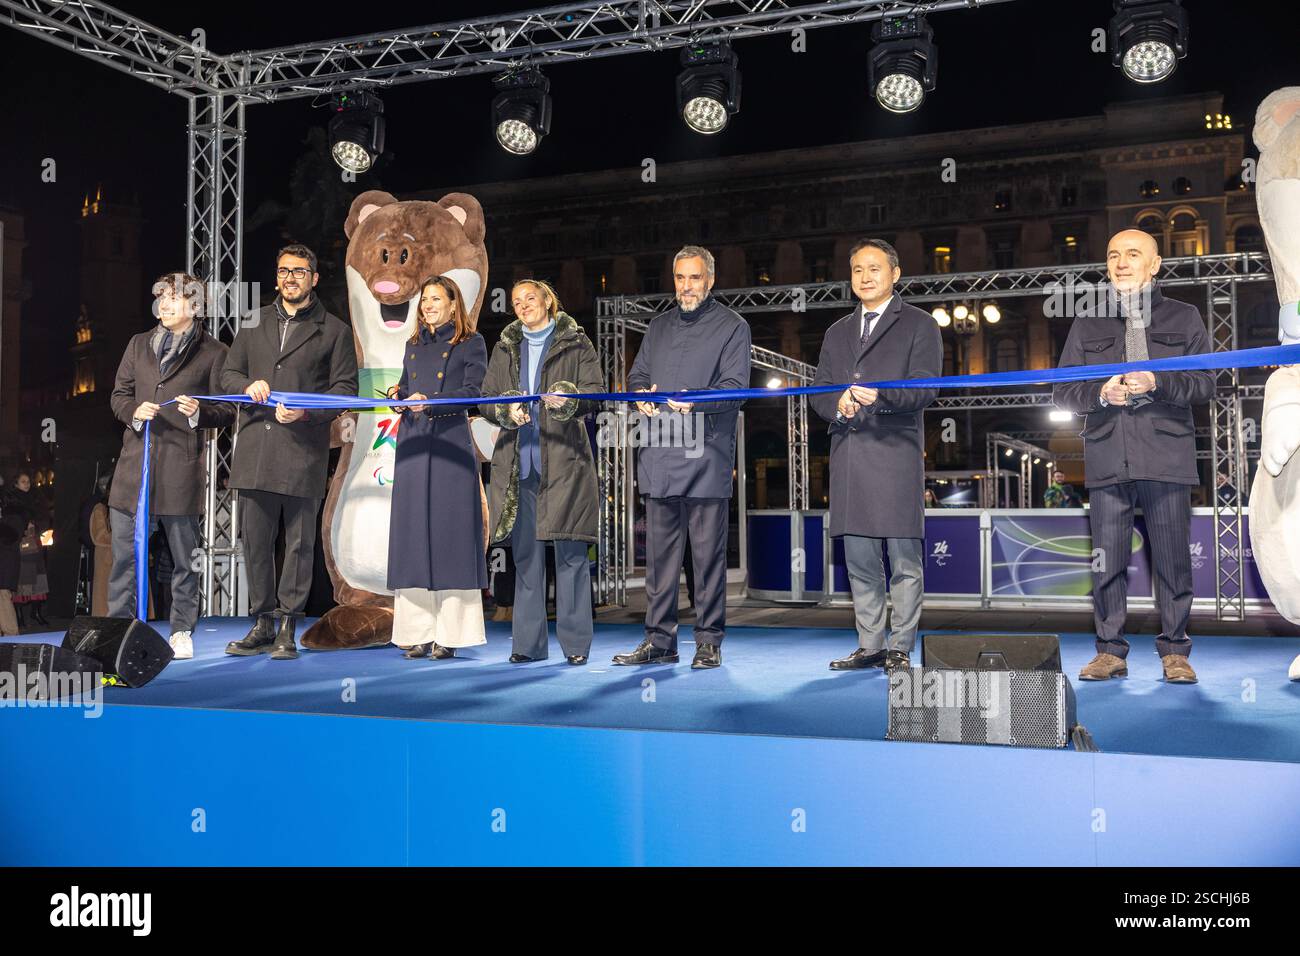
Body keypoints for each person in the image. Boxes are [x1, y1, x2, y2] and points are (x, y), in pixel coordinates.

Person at [1053, 229, 1213, 685]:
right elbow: (1063, 392)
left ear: (1155, 263)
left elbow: (1205, 385)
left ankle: (1176, 652)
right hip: (1107, 456)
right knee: (1107, 561)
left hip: (1167, 455)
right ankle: (1109, 651)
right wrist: (1100, 394)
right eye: (1113, 255)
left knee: (1172, 561)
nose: (1122, 262)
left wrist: (1159, 383)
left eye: (1133, 254)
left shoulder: (1184, 318)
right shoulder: (1086, 322)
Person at [613, 245, 752, 669]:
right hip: (658, 457)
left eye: (694, 278)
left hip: (706, 455)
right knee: (658, 562)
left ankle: (708, 641)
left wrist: (697, 402)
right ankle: (659, 641)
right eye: (680, 278)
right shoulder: (657, 326)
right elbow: (637, 375)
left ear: (709, 280)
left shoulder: (733, 326)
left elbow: (735, 387)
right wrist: (639, 397)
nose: (686, 286)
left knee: (708, 559)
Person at [810, 239, 942, 674]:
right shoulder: (835, 332)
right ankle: (870, 645)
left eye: (874, 269)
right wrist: (839, 403)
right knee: (860, 561)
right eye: (857, 270)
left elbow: (926, 388)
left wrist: (879, 395)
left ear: (895, 274)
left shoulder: (920, 325)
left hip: (895, 453)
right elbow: (820, 391)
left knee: (904, 561)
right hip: (849, 453)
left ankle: (900, 646)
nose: (865, 277)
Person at [222, 244, 358, 660]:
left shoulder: (333, 330)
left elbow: (345, 392)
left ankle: (287, 624)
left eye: (299, 271)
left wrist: (305, 411)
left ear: (314, 279)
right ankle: (261, 622)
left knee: (299, 545)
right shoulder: (253, 321)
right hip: (256, 451)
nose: (290, 278)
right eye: (283, 271)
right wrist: (246, 387)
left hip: (302, 452)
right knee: (256, 542)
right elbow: (228, 373)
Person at [106, 272, 235, 659]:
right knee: (125, 558)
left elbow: (227, 408)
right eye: (161, 296)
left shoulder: (214, 352)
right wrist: (133, 411)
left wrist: (199, 413)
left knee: (183, 559)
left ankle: (181, 630)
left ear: (195, 306)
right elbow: (119, 395)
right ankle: (121, 630)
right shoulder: (138, 344)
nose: (164, 304)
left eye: (174, 298)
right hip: (134, 471)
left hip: (180, 470)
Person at [480, 279, 602, 665]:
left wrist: (569, 398)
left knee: (571, 558)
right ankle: (527, 646)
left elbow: (595, 394)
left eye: (530, 298)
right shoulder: (505, 346)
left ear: (548, 300)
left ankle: (576, 647)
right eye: (515, 301)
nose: (522, 306)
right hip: (519, 471)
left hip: (566, 468)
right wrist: (505, 411)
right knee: (527, 561)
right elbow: (485, 400)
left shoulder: (577, 342)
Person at [385, 275, 489, 658]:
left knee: (450, 539)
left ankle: (451, 635)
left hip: (448, 446)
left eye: (435, 299)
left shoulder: (470, 343)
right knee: (413, 538)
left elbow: (474, 394)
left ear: (453, 304)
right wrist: (397, 395)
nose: (427, 305)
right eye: (424, 299)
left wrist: (430, 400)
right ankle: (418, 631)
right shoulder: (412, 344)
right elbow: (403, 384)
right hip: (413, 444)